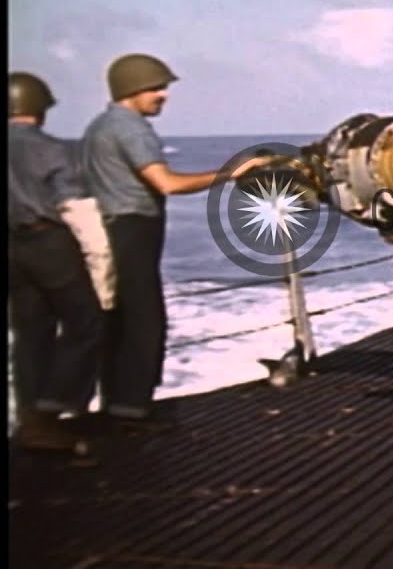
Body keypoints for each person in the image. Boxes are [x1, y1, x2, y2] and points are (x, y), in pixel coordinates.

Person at [81, 53, 268, 426]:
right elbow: (167, 183)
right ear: (132, 89)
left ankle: (116, 403)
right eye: (156, 88)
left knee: (117, 316)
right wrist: (233, 172)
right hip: (133, 227)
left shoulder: (99, 126)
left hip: (109, 226)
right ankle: (133, 408)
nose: (162, 95)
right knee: (145, 318)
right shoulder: (132, 128)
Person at [8, 72, 105, 453]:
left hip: (13, 246)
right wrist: (101, 257)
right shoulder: (52, 150)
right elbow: (75, 207)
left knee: (30, 331)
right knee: (86, 323)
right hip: (48, 239)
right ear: (40, 109)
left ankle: (30, 418)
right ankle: (49, 411)